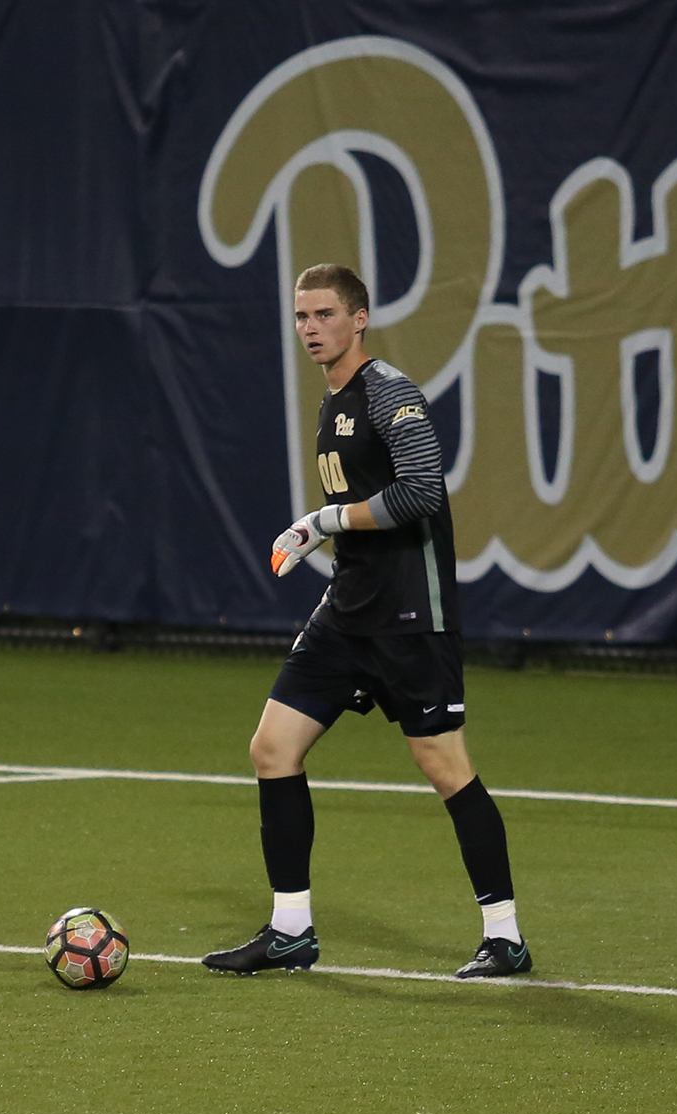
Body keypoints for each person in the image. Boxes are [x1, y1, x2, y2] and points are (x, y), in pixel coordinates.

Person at [202, 263, 531, 980]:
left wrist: (322, 520)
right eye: (301, 316)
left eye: (324, 314)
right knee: (272, 747)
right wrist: (328, 536)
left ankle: (505, 936)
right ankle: (291, 929)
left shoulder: (389, 393)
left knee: (442, 763)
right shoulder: (333, 403)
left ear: (360, 318)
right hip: (347, 612)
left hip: (411, 614)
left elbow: (419, 490)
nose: (311, 328)